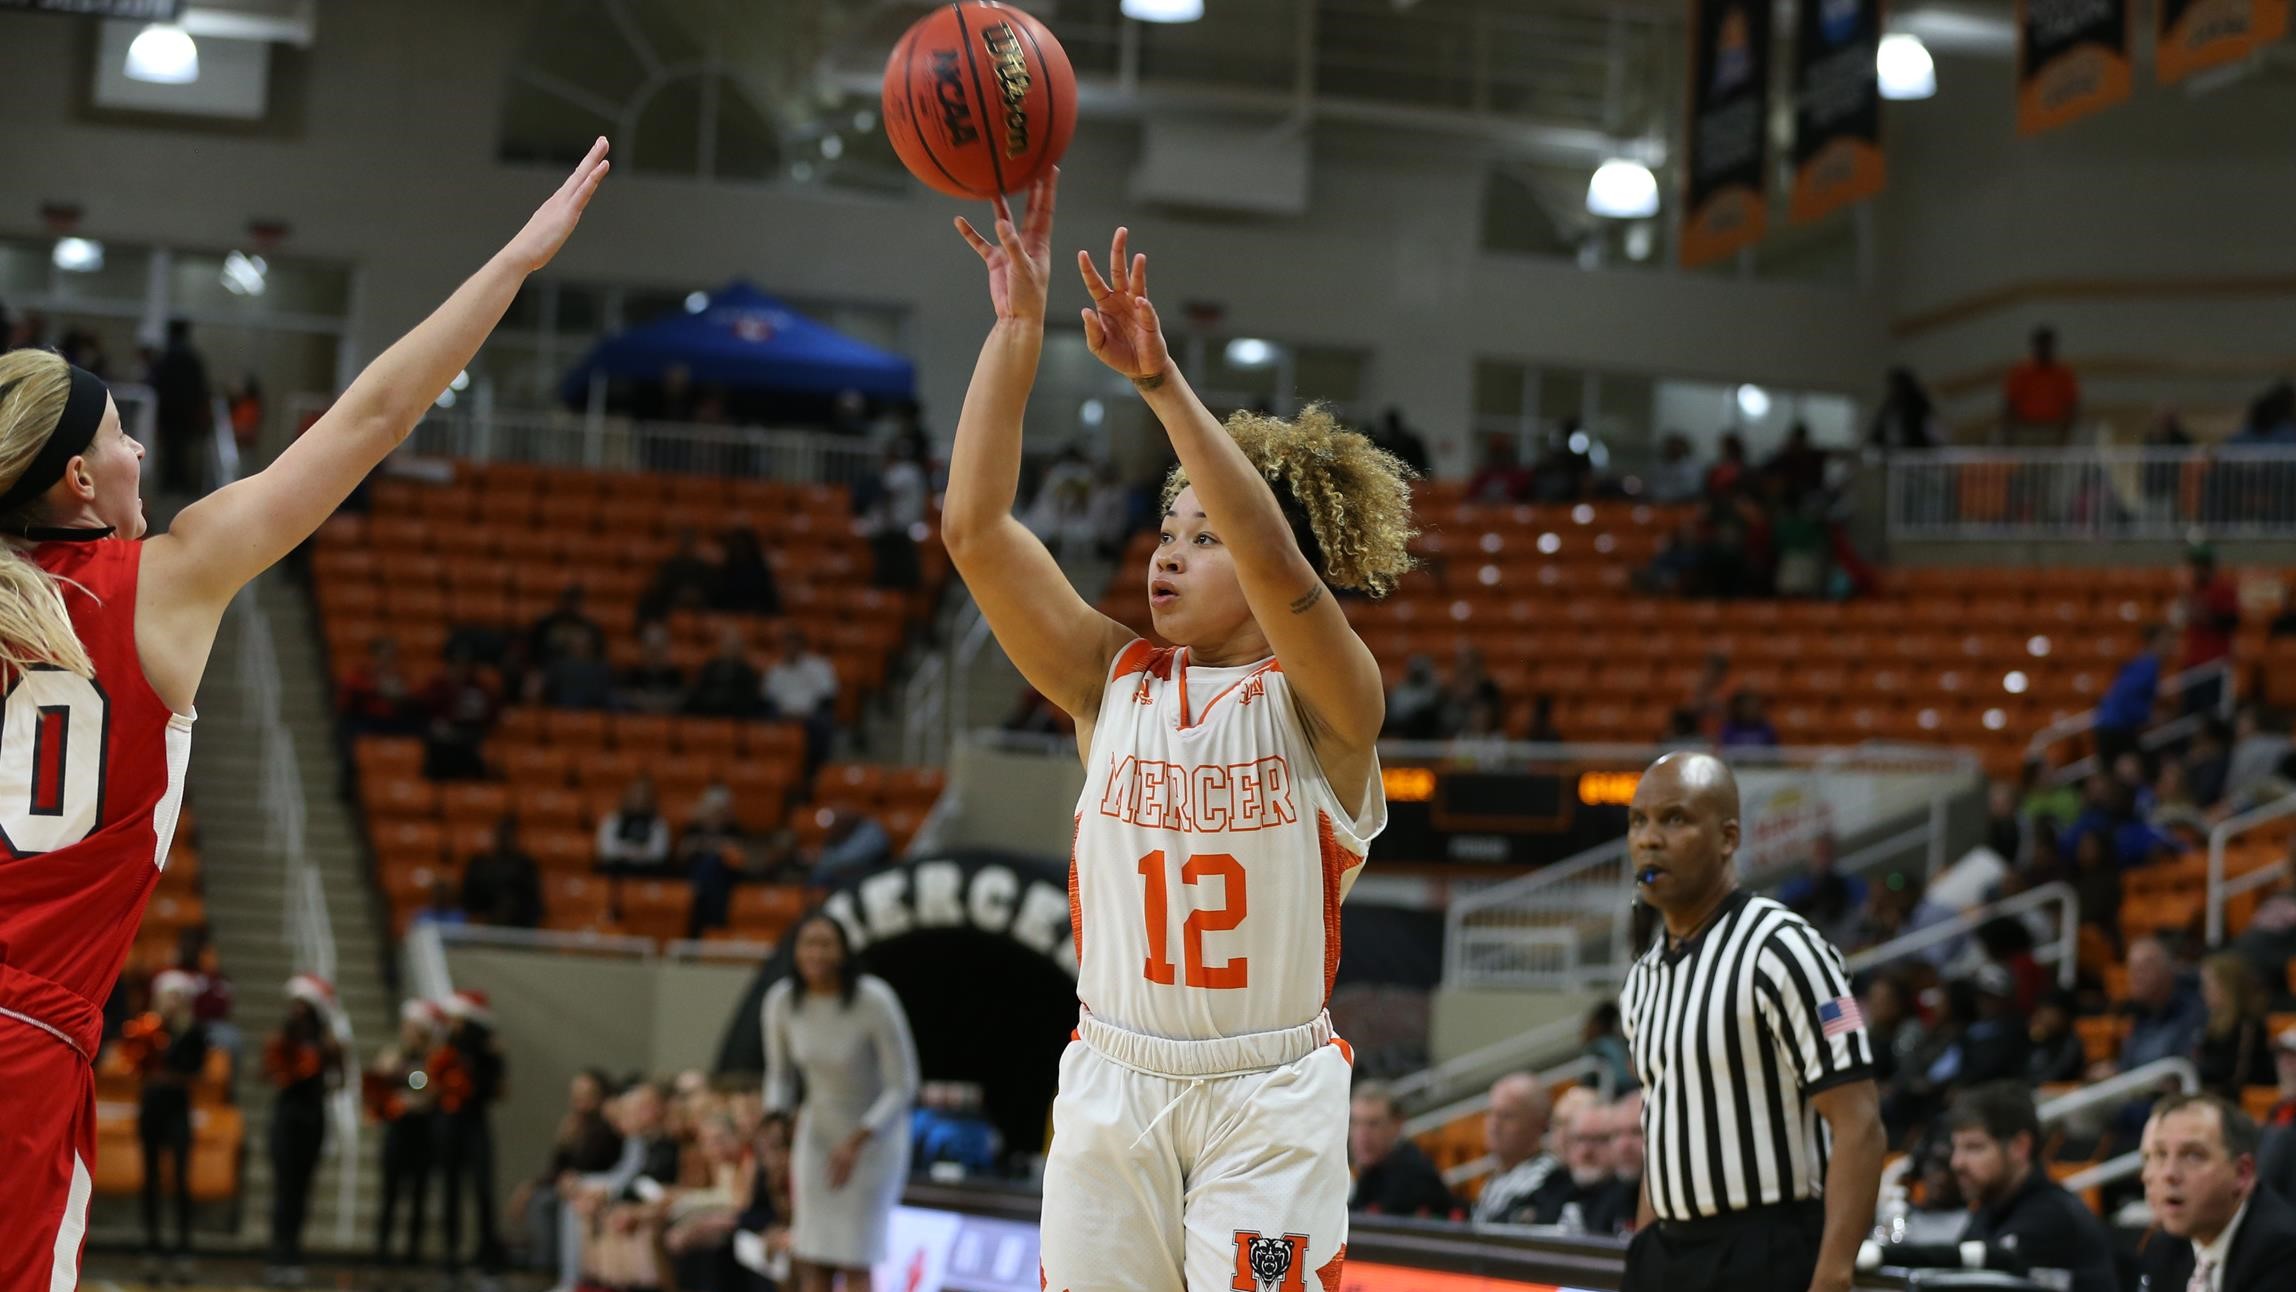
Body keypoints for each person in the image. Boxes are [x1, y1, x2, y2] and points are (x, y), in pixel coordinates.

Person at [0, 139, 608, 1291]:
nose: (140, 452)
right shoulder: (168, 583)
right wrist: (517, 263)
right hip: (24, 1042)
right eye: (124, 435)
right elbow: (372, 417)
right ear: (80, 479)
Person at [941, 175, 1412, 1292]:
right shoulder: (1111, 681)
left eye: (1202, 536)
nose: (1167, 551)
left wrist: (1160, 384)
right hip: (1112, 1075)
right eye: (1164, 528)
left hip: (1266, 1094)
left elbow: (1276, 561)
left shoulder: (1328, 707)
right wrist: (1016, 329)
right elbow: (973, 526)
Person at [1617, 752, 1884, 1292]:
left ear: (1728, 838)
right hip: (1667, 1253)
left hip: (1767, 1248)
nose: (1649, 838)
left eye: (1675, 819)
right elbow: (1665, 1122)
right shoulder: (1642, 979)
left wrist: (1833, 1275)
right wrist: (1644, 1248)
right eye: (1638, 821)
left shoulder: (1787, 949)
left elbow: (1862, 1126)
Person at [760, 914, 919, 1292]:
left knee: (855, 1258)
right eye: (807, 943)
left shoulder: (874, 1000)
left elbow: (903, 1085)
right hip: (817, 1135)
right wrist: (774, 1122)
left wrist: (858, 1140)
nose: (816, 952)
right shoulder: (781, 1001)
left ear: (844, 950)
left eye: (826, 943)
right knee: (812, 1253)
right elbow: (780, 1076)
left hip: (874, 1139)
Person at [1870, 1082, 2116, 1292]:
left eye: (1974, 1147)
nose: (1956, 1163)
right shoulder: (1990, 1211)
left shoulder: (2053, 1217)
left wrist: (1876, 1257)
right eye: (1957, 1148)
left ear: (2020, 1147)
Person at [2138, 1092, 2296, 1292]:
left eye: (2193, 1155)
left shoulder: (2282, 1251)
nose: (2168, 1173)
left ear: (2242, 1173)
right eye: (2161, 1154)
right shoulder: (2165, 1246)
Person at [263, 975, 345, 1284]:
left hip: (312, 1117)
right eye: (295, 1004)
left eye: (303, 1005)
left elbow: (340, 1082)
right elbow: (268, 1072)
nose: (296, 1010)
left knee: (302, 1189)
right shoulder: (284, 1037)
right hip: (287, 1116)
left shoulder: (328, 1042)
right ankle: (277, 1253)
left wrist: (328, 1060)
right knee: (283, 1187)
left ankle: (293, 1252)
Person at [133, 968, 208, 1279]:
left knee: (180, 1179)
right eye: (169, 995)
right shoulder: (147, 1029)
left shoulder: (193, 1032)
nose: (174, 1001)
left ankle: (183, 1247)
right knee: (150, 1179)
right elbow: (136, 1064)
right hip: (152, 1109)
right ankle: (152, 1244)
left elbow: (195, 1071)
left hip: (178, 1111)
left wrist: (166, 1075)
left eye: (179, 996)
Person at [435, 988, 509, 1282]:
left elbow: (500, 1092)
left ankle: (487, 1252)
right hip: (448, 1124)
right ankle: (449, 1253)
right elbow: (423, 1082)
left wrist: (497, 1062)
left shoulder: (486, 1052)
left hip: (475, 1123)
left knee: (483, 1188)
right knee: (449, 1190)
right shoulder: (444, 1050)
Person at [369, 999, 442, 1269]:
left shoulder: (433, 1059)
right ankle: (382, 1251)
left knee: (419, 1196)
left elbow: (430, 1095)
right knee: (389, 1194)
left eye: (412, 1027)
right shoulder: (395, 1054)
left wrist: (410, 1099)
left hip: (422, 1135)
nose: (407, 1032)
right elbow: (377, 1086)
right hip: (398, 1132)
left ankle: (413, 1253)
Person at [1347, 1081, 1454, 1218]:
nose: (1362, 1135)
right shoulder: (1366, 1174)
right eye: (1355, 1123)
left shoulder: (1415, 1176)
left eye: (1373, 1124)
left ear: (1397, 1124)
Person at [2197, 953, 2274, 1099]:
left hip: (2235, 1100)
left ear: (2227, 986)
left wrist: (2196, 1070)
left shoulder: (2248, 1025)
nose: (2204, 991)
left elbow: (2235, 1073)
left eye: (2209, 985)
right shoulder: (2210, 1023)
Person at [149, 318, 212, 495]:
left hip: (167, 411)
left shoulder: (165, 356)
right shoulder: (192, 358)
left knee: (170, 447)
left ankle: (170, 483)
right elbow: (200, 386)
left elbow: (155, 382)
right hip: (186, 412)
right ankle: (181, 484)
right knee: (182, 448)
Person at [2002, 326, 2080, 443]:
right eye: (2041, 346)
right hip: (2025, 430)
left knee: (2053, 461)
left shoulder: (2063, 374)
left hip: (2054, 430)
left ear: (2053, 347)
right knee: (2025, 461)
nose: (2044, 350)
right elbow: (2010, 403)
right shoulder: (2021, 372)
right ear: (2034, 346)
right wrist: (2009, 433)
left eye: (2047, 346)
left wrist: (2065, 433)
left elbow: (2072, 405)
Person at [596, 777, 672, 876]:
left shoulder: (658, 823)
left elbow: (658, 853)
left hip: (646, 871)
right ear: (627, 795)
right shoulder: (613, 819)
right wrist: (637, 852)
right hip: (617, 869)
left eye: (644, 795)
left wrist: (626, 851)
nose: (639, 798)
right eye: (636, 794)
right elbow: (607, 850)